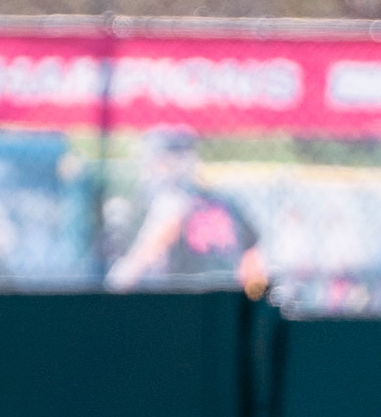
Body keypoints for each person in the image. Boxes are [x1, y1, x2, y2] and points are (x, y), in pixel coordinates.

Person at [105, 127, 267, 296]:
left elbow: (146, 253)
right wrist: (254, 301)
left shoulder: (172, 201)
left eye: (160, 162)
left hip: (186, 302)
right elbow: (254, 265)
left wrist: (114, 287)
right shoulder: (224, 201)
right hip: (226, 303)